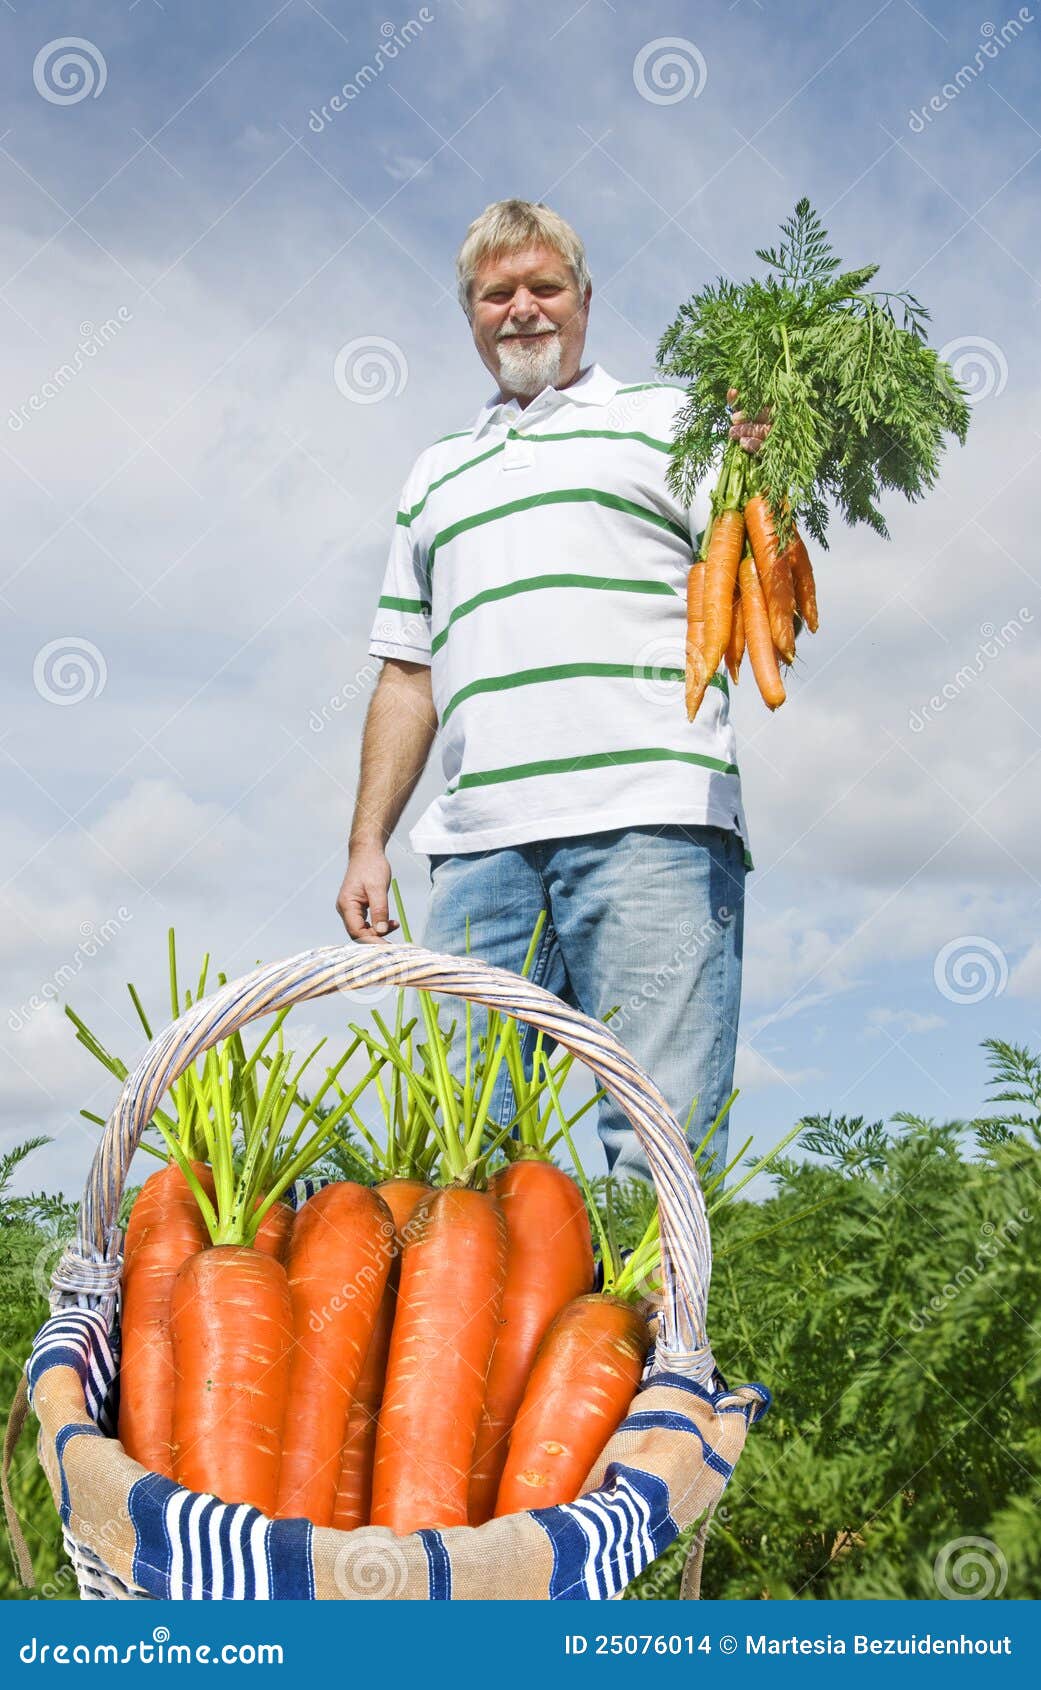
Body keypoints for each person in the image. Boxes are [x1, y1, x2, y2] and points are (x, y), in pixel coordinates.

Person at [336, 199, 768, 1184]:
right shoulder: (435, 473)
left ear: (583, 300)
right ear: (472, 314)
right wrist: (368, 839)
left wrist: (763, 457)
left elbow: (754, 558)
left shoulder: (673, 419)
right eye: (498, 293)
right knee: (454, 1162)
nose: (523, 309)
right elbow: (408, 674)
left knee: (659, 1149)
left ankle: (667, 1343)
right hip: (479, 851)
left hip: (653, 820)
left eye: (545, 287)